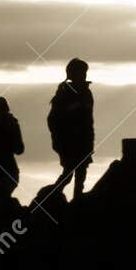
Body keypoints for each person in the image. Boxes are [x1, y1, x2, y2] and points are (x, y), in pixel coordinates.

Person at [47, 58, 94, 200]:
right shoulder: (63, 94)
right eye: (81, 72)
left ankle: (76, 203)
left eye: (84, 72)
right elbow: (53, 119)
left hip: (83, 142)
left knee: (80, 176)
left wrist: (90, 142)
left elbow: (89, 121)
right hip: (69, 142)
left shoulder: (86, 93)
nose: (84, 75)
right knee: (68, 174)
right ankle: (52, 198)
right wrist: (60, 139)